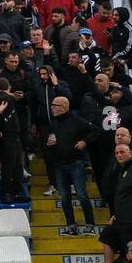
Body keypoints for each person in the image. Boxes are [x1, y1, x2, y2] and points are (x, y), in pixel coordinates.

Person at [44, 96, 97, 235]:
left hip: (75, 163)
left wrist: (84, 142)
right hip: (59, 164)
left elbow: (95, 131)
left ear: (64, 107)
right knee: (65, 197)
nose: (52, 107)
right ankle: (71, 225)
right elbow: (49, 141)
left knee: (81, 195)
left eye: (54, 105)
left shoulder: (77, 120)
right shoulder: (53, 123)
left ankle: (90, 224)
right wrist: (49, 145)